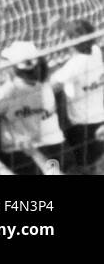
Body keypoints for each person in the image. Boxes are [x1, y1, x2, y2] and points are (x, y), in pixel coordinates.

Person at [0, 40, 65, 175]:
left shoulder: (10, 90)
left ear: (14, 67)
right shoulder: (43, 84)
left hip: (26, 154)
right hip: (55, 147)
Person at [50, 18, 104, 171]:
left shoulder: (74, 65)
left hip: (83, 126)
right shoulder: (96, 52)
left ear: (71, 41)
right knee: (97, 161)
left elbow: (50, 87)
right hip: (100, 118)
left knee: (86, 166)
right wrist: (62, 25)